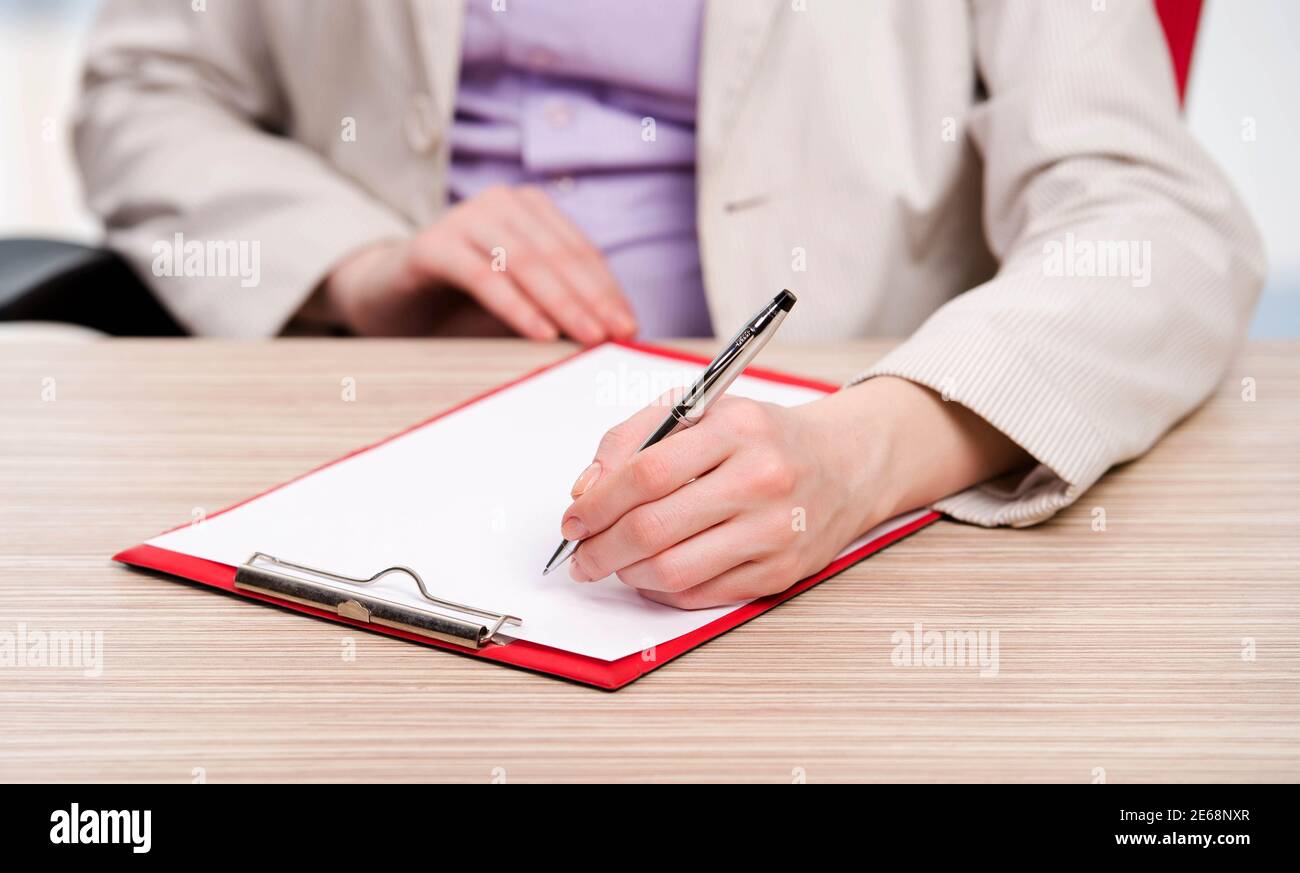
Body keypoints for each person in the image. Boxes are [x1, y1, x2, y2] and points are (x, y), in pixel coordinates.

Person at [75, 0, 1265, 608]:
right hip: (353, 416)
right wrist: (352, 261)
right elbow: (144, 91)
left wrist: (866, 451)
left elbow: (1155, 221)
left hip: (832, 469)